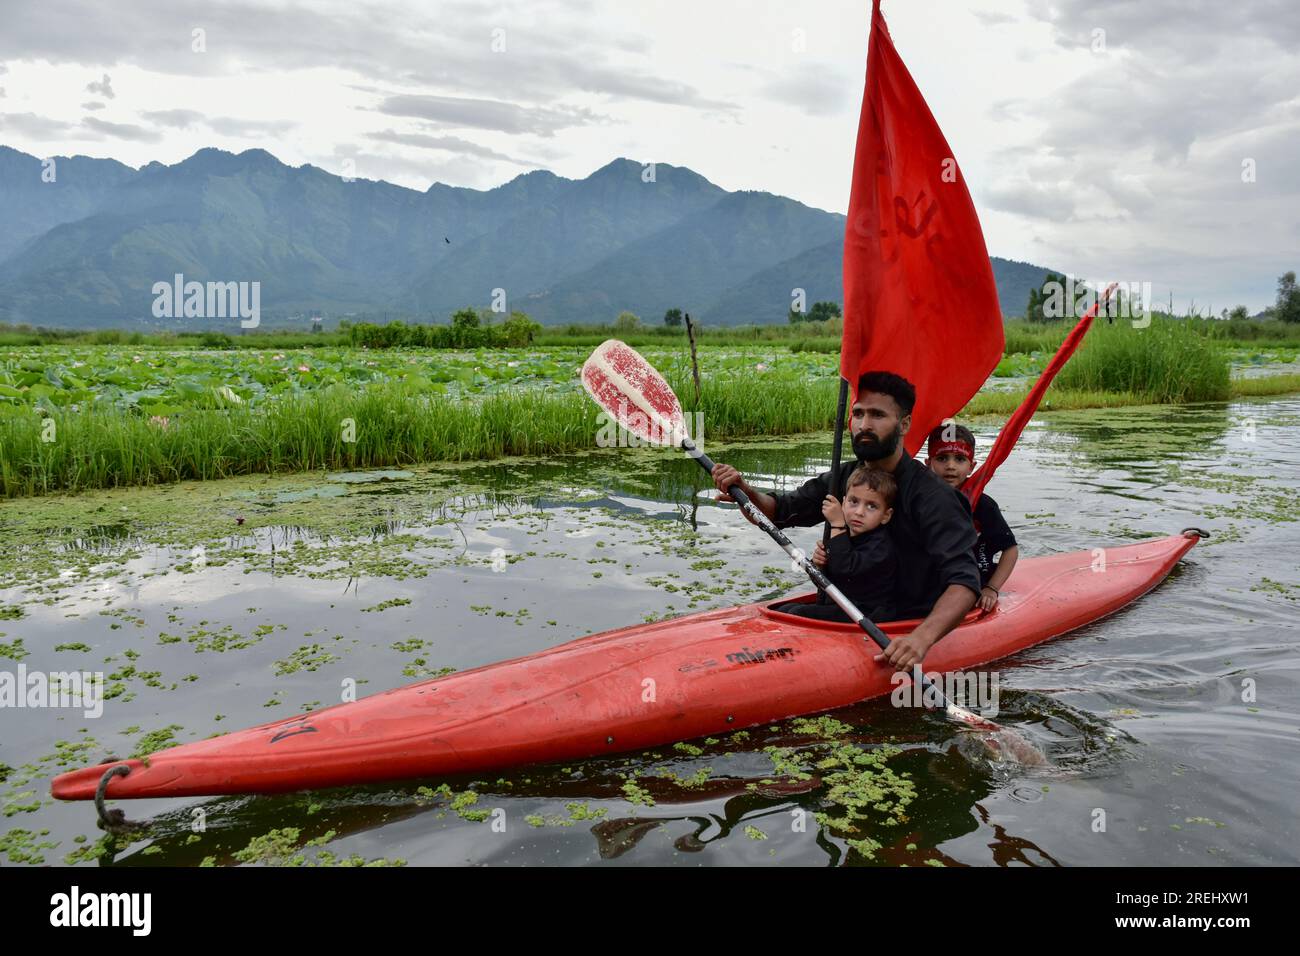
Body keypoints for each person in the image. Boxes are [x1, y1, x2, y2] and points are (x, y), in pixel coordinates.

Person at [710, 371, 981, 670]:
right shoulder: (845, 476)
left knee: (796, 612)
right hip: (847, 609)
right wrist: (745, 492)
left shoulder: (935, 497)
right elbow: (779, 511)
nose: (864, 425)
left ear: (904, 424)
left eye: (877, 415)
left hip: (901, 621)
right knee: (789, 610)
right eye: (858, 414)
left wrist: (920, 640)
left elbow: (965, 582)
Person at [771, 464, 896, 623]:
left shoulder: (880, 546)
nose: (859, 512)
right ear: (843, 503)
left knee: (796, 612)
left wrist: (837, 524)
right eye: (854, 502)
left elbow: (844, 569)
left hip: (867, 613)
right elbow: (825, 583)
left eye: (871, 506)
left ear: (886, 515)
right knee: (784, 610)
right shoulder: (845, 537)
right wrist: (819, 565)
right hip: (844, 605)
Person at [926, 422, 1019, 612]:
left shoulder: (984, 505)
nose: (950, 466)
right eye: (942, 458)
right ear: (928, 464)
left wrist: (991, 589)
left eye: (959, 459)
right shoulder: (920, 501)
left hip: (975, 586)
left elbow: (1010, 550)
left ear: (971, 466)